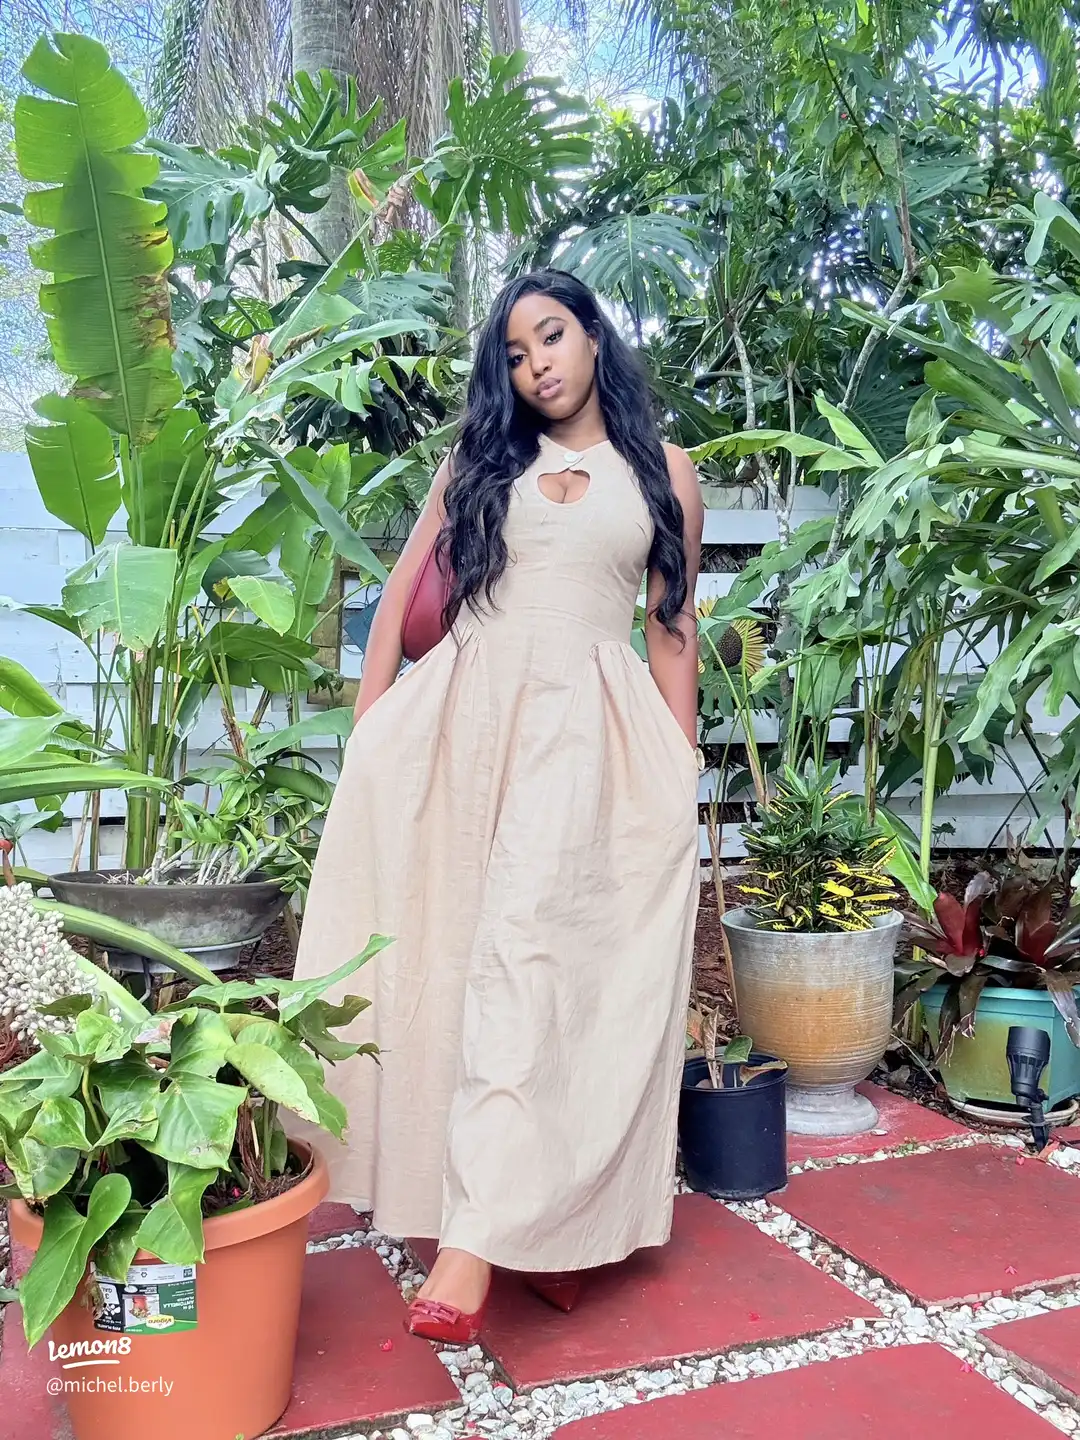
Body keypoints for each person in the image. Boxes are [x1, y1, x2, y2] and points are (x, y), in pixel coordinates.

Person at [288, 268, 703, 1345]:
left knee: (547, 966)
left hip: (589, 739)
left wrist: (676, 765)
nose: (537, 365)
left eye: (552, 337)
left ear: (594, 334)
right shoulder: (480, 459)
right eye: (515, 355)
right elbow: (398, 600)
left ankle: (489, 1240)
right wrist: (370, 733)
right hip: (465, 720)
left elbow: (670, 631)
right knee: (458, 958)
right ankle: (515, 1223)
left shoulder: (664, 472)